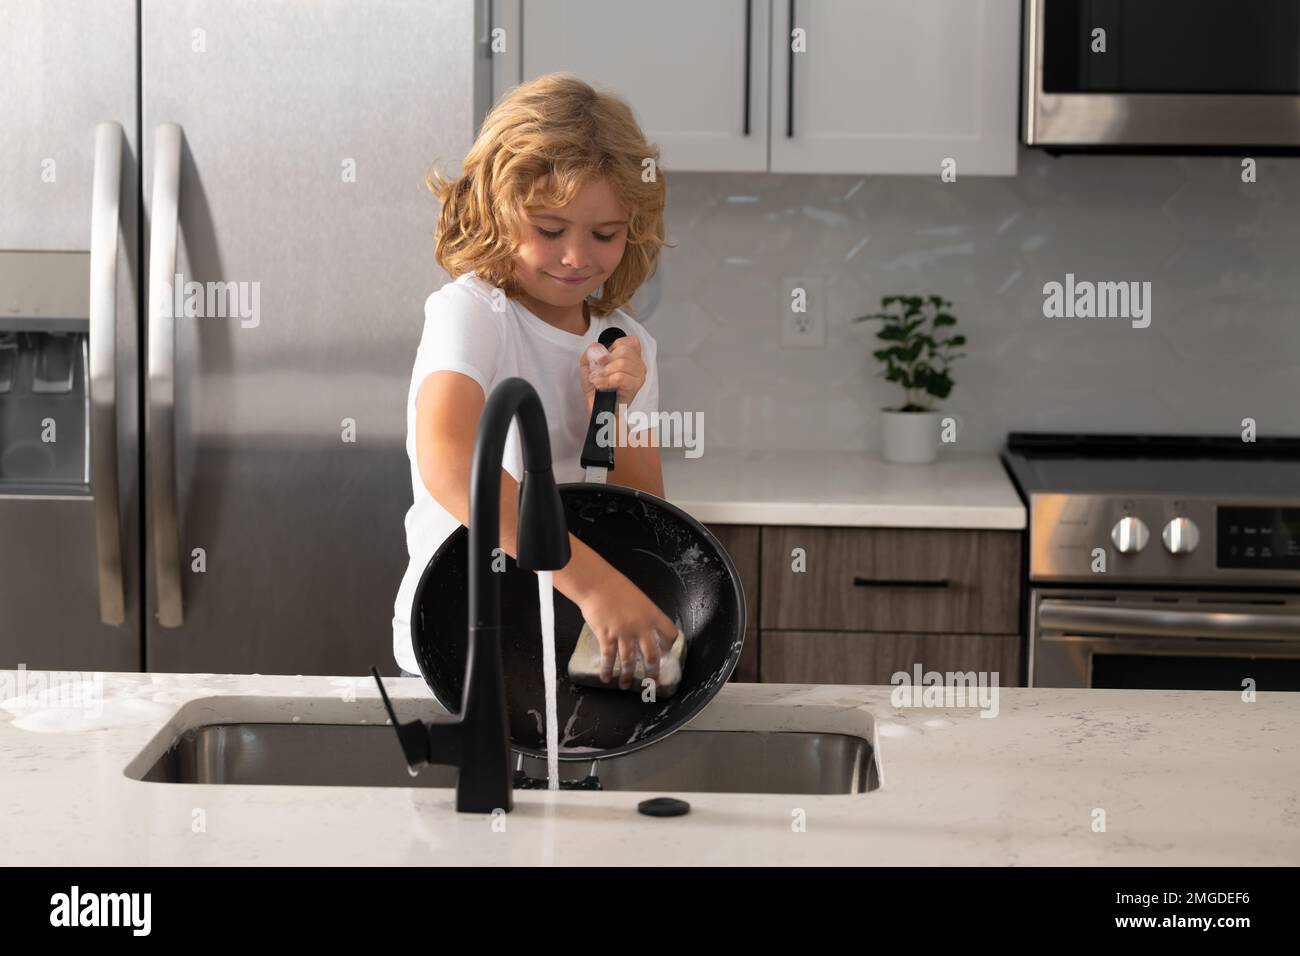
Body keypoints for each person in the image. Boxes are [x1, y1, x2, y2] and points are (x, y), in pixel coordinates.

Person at [391, 73, 677, 690]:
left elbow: (643, 517)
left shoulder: (625, 344)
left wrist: (614, 412)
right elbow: (450, 458)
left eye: (605, 234)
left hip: (567, 645)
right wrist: (596, 585)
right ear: (496, 211)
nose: (578, 257)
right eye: (550, 230)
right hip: (462, 633)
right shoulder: (472, 313)